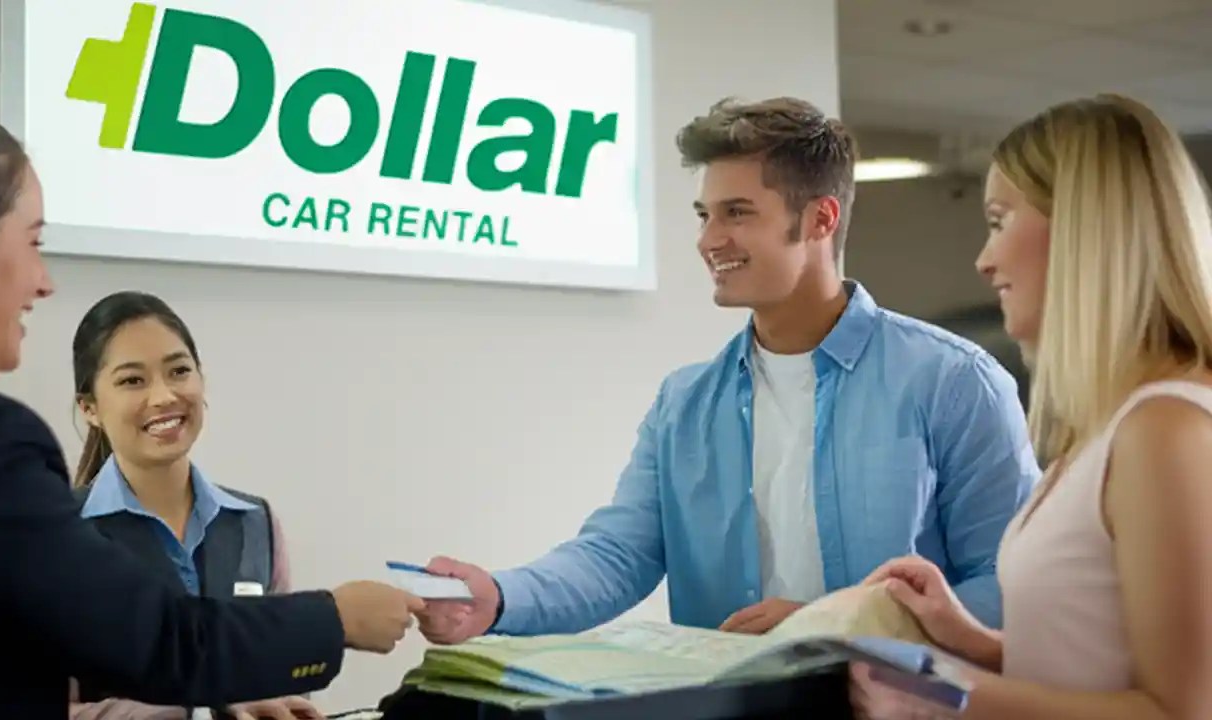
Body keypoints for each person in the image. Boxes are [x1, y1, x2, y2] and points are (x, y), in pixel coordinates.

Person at [416, 96, 1039, 645]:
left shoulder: (953, 381)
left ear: (820, 220)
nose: (709, 239)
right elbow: (618, 554)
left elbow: (1011, 583)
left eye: (737, 213)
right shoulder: (684, 402)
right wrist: (499, 596)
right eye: (704, 214)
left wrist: (841, 623)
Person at [0, 102, 424, 718]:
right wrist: (336, 618)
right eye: (33, 242)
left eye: (179, 370)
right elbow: (164, 642)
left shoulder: (255, 521)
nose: (44, 281)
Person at [849, 93, 1212, 720]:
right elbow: (1092, 661)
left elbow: (1181, 711)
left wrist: (947, 694)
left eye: (998, 222)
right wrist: (971, 641)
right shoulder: (1111, 427)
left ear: (1082, 230)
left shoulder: (1166, 429)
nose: (984, 261)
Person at [65, 291, 324, 719]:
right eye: (132, 380)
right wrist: (199, 711)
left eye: (179, 371)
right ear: (90, 408)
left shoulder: (255, 523)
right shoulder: (57, 535)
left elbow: (283, 669)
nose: (164, 395)